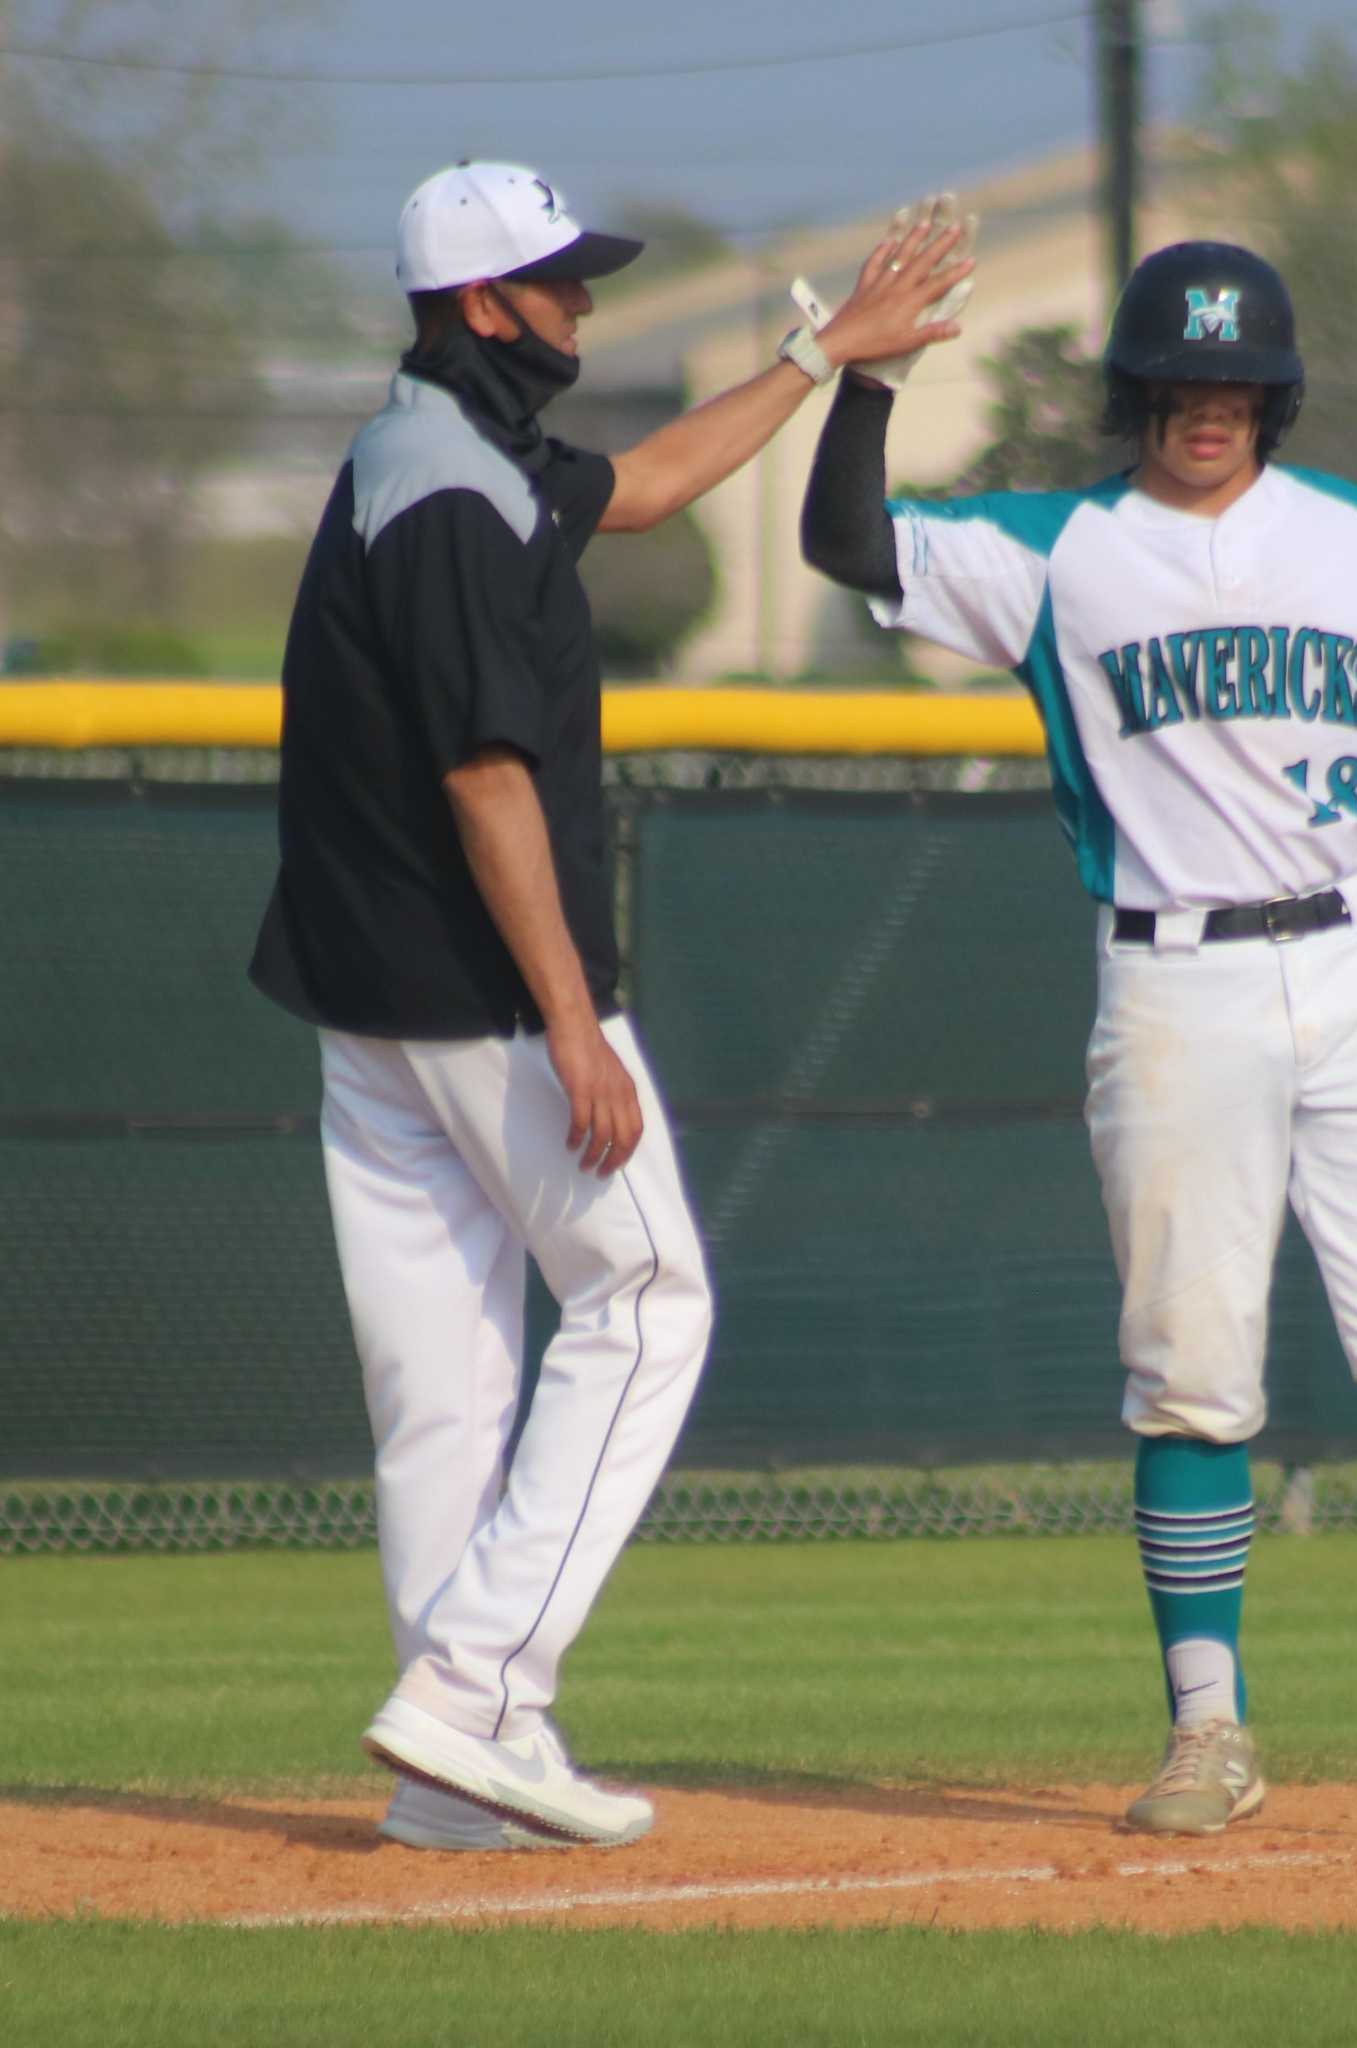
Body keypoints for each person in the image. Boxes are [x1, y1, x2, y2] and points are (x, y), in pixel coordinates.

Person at [801, 235, 1357, 1836]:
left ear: (1277, 396)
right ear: (1138, 391)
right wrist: (872, 378)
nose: (1210, 407)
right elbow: (845, 542)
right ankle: (1208, 1728)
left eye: (1239, 383)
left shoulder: (1355, 539)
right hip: (1177, 984)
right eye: (1183, 382)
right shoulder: (1060, 550)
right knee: (1192, 1375)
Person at [250, 161, 969, 1851]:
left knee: (447, 1387)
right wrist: (572, 1019)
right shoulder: (448, 492)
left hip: (371, 1002)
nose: (586, 301)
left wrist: (828, 359)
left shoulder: (444, 446)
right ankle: (480, 1689)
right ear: (485, 305)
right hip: (483, 994)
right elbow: (488, 775)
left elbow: (643, 489)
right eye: (561, 282)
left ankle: (449, 1786)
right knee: (648, 1298)